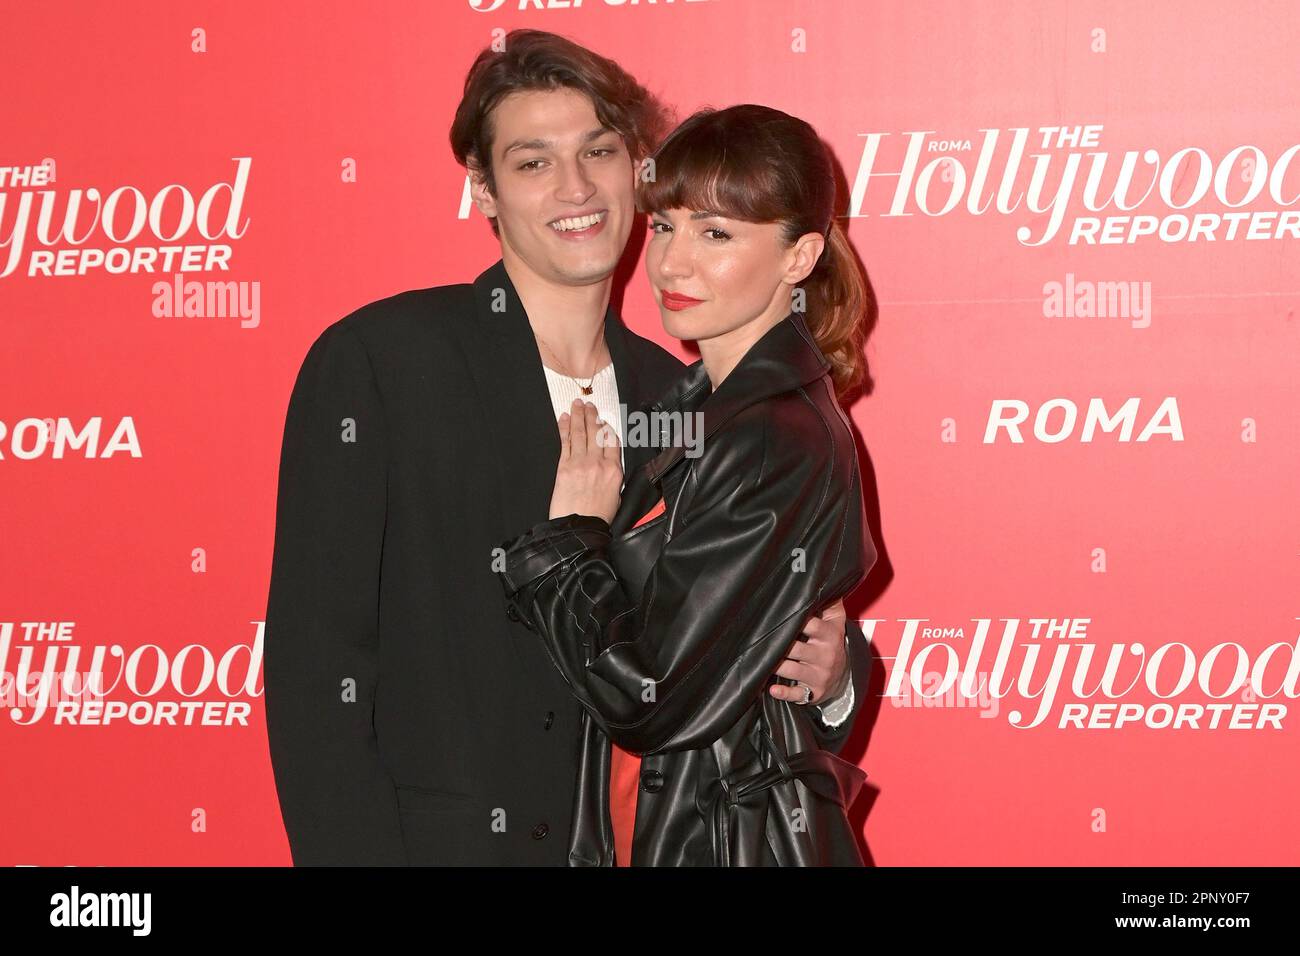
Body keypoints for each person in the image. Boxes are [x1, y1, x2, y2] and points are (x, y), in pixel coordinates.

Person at [263, 31, 873, 865]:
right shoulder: (383, 363)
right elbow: (316, 670)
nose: (576, 188)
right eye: (533, 162)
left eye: (599, 151)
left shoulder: (683, 395)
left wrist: (834, 677)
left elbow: (714, 620)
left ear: (638, 171)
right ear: (483, 189)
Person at [495, 103, 878, 866]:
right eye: (665, 225)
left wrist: (567, 544)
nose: (671, 265)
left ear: (799, 259)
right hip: (664, 820)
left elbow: (654, 695)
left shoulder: (768, 436)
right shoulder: (692, 402)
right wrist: (832, 668)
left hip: (717, 836)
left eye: (717, 234)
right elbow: (717, 618)